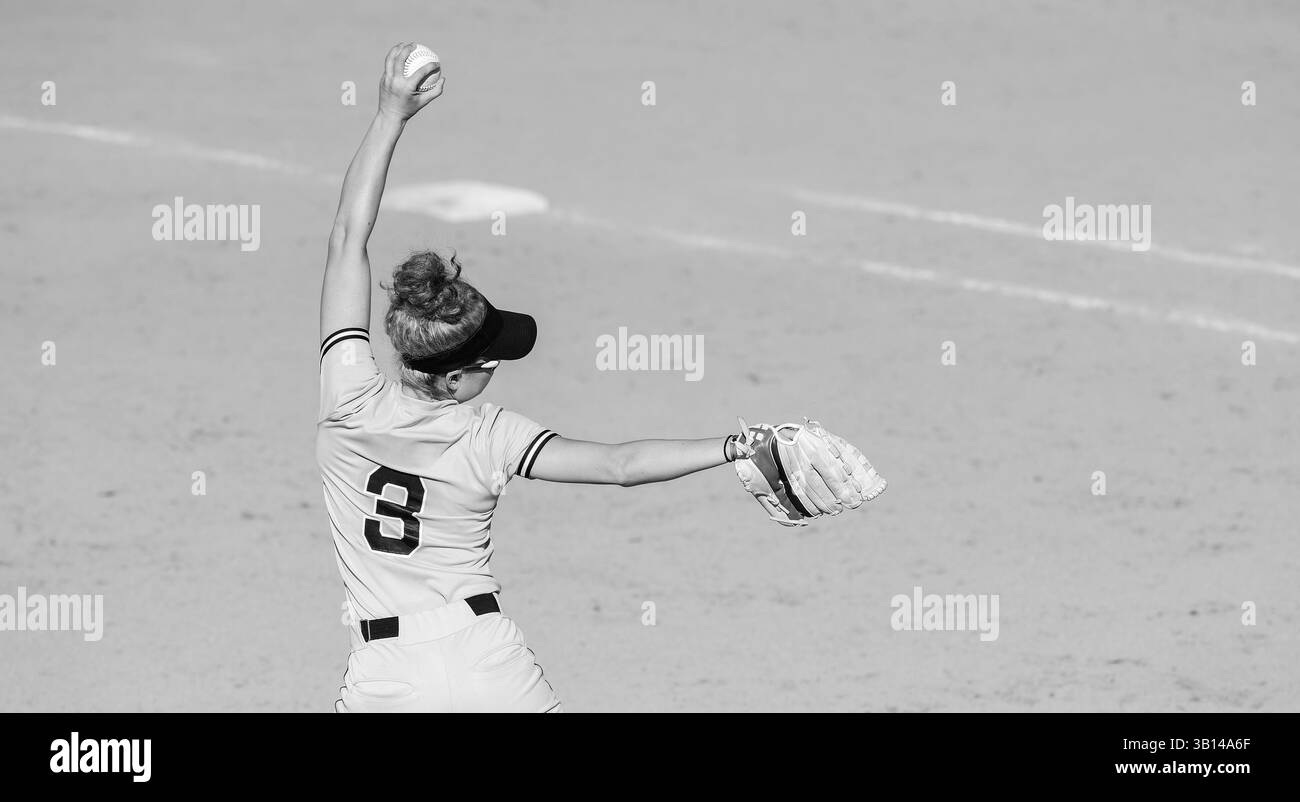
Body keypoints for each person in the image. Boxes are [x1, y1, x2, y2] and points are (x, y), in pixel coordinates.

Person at [319, 44, 749, 712]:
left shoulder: (346, 394)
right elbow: (621, 466)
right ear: (460, 376)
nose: (495, 367)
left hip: (385, 679)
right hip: (488, 665)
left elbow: (348, 238)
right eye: (489, 361)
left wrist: (388, 116)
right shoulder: (492, 436)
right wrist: (735, 445)